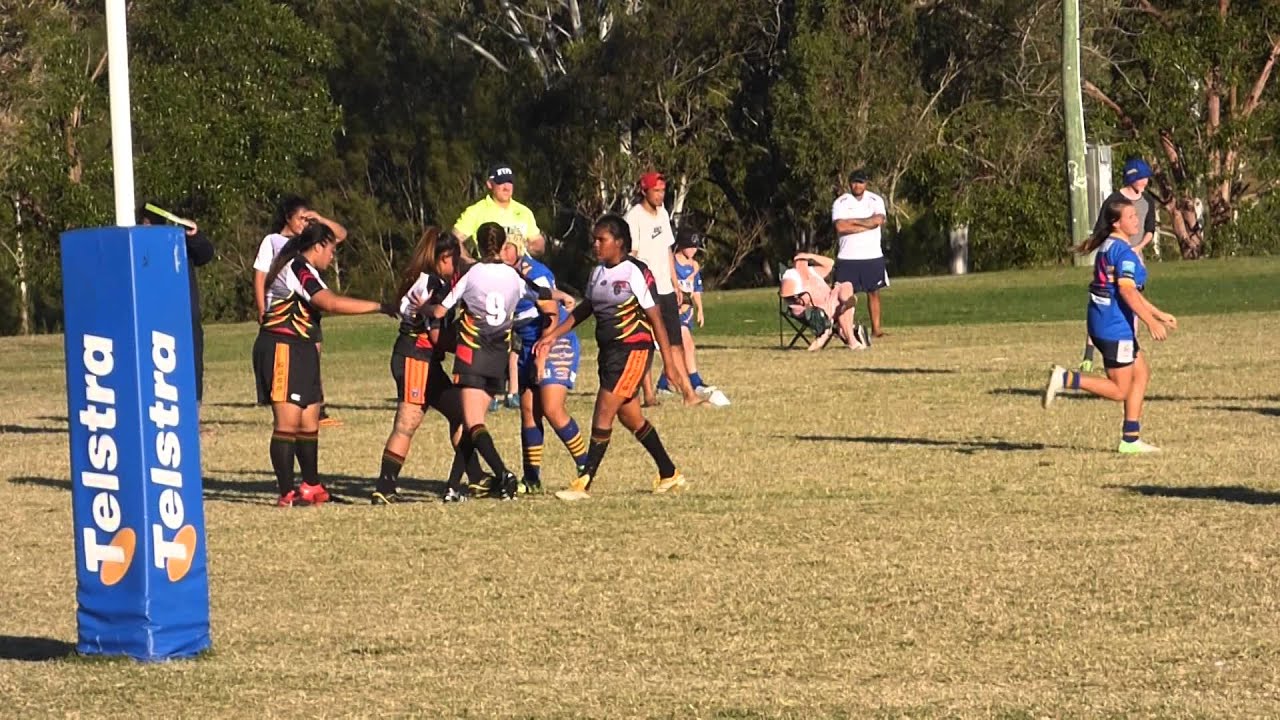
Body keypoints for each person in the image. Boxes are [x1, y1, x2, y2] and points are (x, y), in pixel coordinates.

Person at [534, 214, 688, 502]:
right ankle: (669, 473)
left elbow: (656, 318)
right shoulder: (597, 273)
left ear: (619, 242)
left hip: (632, 351)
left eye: (601, 239)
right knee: (631, 417)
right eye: (594, 239)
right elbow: (586, 309)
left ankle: (584, 481)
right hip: (609, 353)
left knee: (603, 412)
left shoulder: (635, 271)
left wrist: (669, 364)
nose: (595, 244)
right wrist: (553, 335)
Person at [253, 223, 395, 507]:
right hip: (283, 347)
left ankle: (312, 486)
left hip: (303, 348)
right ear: (318, 246)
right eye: (330, 250)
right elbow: (329, 303)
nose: (332, 256)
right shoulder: (297, 268)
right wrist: (379, 306)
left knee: (309, 420)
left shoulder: (309, 269)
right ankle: (286, 494)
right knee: (287, 423)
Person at [421, 222, 558, 501]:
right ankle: (452, 487)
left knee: (473, 423)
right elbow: (542, 296)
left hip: (472, 353)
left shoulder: (471, 275)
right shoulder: (514, 276)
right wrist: (559, 303)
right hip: (499, 355)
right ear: (503, 244)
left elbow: (440, 311)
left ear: (477, 245)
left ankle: (503, 474)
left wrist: (421, 307)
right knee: (473, 423)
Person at [1042, 196, 1178, 453]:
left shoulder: (1108, 246)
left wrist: (1158, 314)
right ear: (1116, 223)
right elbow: (1127, 291)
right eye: (1131, 217)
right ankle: (1066, 378)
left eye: (1136, 215)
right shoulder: (1123, 253)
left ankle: (1130, 439)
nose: (1137, 220)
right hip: (1115, 327)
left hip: (1102, 321)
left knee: (1141, 373)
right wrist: (1151, 322)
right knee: (1119, 390)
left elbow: (1128, 291)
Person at [372, 228, 487, 504]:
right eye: (455, 260)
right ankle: (384, 487)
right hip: (416, 358)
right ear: (445, 257)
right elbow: (436, 336)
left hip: (423, 360)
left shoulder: (422, 278)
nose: (457, 266)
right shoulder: (435, 285)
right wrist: (468, 344)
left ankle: (476, 478)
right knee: (407, 422)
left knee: (461, 413)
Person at [453, 163, 543, 410]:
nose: (507, 186)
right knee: (485, 331)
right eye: (501, 182)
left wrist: (531, 246)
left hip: (514, 280)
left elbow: (538, 242)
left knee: (514, 335)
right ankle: (485, 388)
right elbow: (455, 238)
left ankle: (511, 388)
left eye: (510, 182)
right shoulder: (477, 211)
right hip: (486, 281)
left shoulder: (523, 211)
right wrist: (470, 262)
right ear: (489, 184)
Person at [253, 196, 348, 427]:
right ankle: (289, 407)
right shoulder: (273, 241)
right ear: (288, 218)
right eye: (300, 218)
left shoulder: (309, 241)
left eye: (307, 219)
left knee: (313, 353)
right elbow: (260, 275)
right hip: (284, 311)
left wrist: (320, 218)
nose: (304, 223)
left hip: (307, 306)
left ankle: (316, 407)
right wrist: (261, 306)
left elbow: (341, 235)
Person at [511, 234, 591, 494]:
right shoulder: (499, 273)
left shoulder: (535, 273)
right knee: (529, 410)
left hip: (554, 340)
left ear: (515, 248)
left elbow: (552, 314)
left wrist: (542, 354)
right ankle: (531, 479)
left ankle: (586, 468)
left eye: (504, 248)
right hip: (528, 344)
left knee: (552, 408)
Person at [623, 171, 702, 407]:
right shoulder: (633, 218)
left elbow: (667, 250)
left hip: (666, 288)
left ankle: (689, 395)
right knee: (645, 342)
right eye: (656, 191)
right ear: (644, 191)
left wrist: (675, 284)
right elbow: (631, 255)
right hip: (646, 289)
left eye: (663, 191)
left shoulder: (663, 214)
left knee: (675, 342)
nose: (660, 195)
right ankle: (649, 395)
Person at [1080, 157, 1159, 371]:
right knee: (1108, 305)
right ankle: (1089, 355)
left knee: (1129, 306)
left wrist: (1137, 248)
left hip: (1133, 257)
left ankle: (1129, 350)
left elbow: (1150, 230)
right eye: (1142, 178)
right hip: (1116, 260)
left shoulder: (1148, 201)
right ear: (1131, 178)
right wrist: (1154, 321)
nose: (1145, 182)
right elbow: (1102, 230)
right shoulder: (1114, 202)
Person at [137, 204, 215, 406]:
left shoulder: (179, 241)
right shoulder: (136, 246)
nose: (147, 228)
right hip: (151, 316)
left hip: (184, 315)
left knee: (189, 359)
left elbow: (206, 254)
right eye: (144, 224)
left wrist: (194, 236)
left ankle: (193, 406)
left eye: (151, 224)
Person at [657, 232, 730, 406]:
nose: (693, 250)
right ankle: (695, 381)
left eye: (695, 247)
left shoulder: (693, 266)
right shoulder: (671, 264)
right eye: (690, 246)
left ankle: (663, 383)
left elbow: (696, 290)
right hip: (674, 311)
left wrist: (700, 310)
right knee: (688, 345)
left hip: (687, 312)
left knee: (679, 350)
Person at [831, 169, 889, 338]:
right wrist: (866, 224)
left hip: (872, 256)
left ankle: (876, 329)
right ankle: (843, 329)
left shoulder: (875, 200)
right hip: (848, 257)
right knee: (845, 296)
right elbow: (841, 226)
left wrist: (853, 222)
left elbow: (878, 221)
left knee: (874, 292)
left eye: (861, 182)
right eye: (855, 182)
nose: (858, 185)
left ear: (866, 183)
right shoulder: (841, 202)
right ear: (849, 183)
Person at [779, 251, 867, 351]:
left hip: (830, 302)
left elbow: (830, 263)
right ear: (794, 262)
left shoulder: (813, 271)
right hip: (816, 309)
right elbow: (785, 294)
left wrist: (810, 256)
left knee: (846, 285)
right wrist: (802, 298)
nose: (803, 262)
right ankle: (851, 338)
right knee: (843, 305)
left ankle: (841, 311)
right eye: (800, 260)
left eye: (805, 260)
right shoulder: (791, 274)